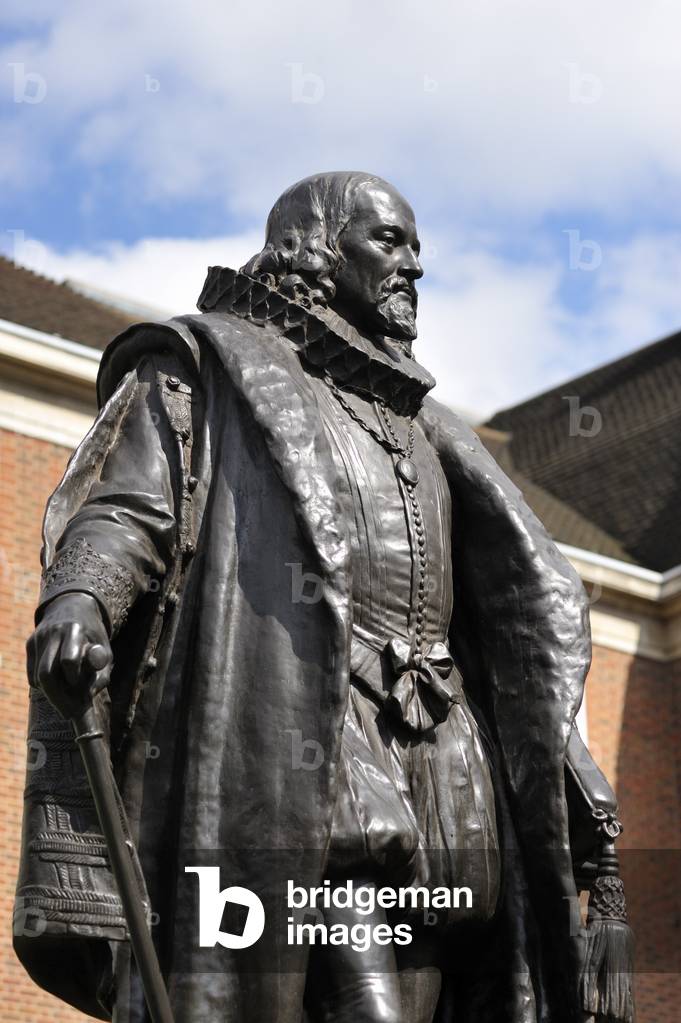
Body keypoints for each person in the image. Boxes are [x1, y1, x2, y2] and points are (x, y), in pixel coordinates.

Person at [16, 173, 629, 1023]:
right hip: (310, 731)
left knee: (447, 997)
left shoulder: (429, 426)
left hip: (449, 757)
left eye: (417, 248)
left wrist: (564, 757)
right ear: (314, 247)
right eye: (389, 242)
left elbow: (510, 621)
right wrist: (79, 598)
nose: (413, 266)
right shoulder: (211, 368)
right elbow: (128, 507)